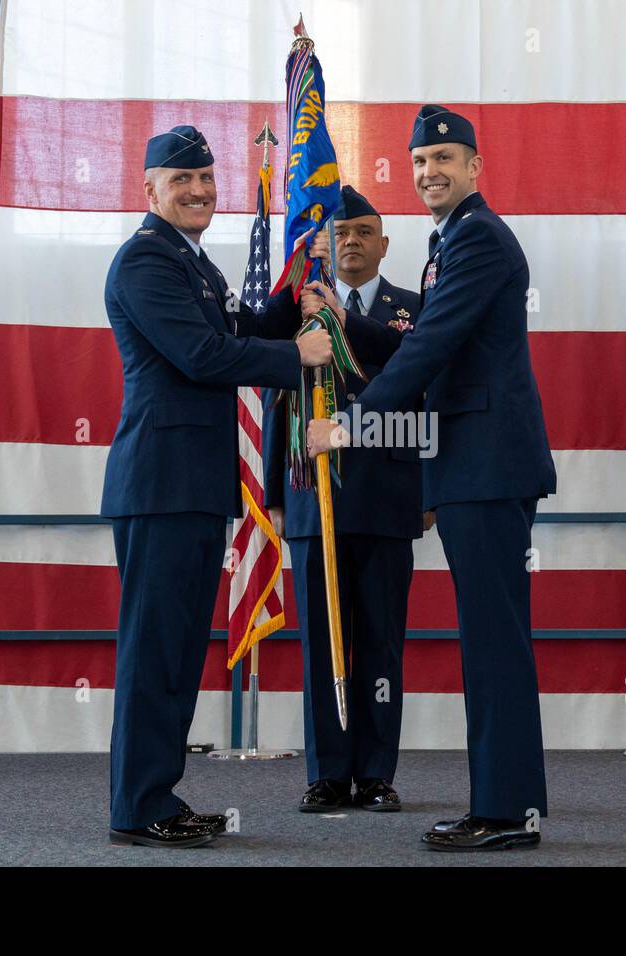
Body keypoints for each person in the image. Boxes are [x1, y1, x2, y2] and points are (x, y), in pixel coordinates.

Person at [307, 105, 556, 851]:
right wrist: (347, 325)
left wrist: (355, 423)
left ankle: (506, 812)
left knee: (494, 643)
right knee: (488, 640)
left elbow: (433, 344)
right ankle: (507, 803)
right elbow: (420, 336)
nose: (429, 172)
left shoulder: (477, 238)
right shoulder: (448, 242)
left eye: (444, 158)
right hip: (471, 466)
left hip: (487, 465)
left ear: (476, 167)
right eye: (419, 162)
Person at [101, 125, 335, 848]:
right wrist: (295, 355)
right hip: (160, 485)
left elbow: (241, 326)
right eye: (182, 181)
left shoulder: (194, 265)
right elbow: (204, 356)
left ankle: (157, 796)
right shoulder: (146, 262)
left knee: (174, 652)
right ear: (149, 189)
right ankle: (138, 806)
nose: (199, 190)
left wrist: (295, 285)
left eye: (206, 178)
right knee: (154, 651)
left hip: (195, 487)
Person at [263, 185, 424, 814]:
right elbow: (281, 400)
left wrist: (429, 490)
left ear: (385, 244)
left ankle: (376, 772)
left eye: (364, 231)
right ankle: (328, 772)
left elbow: (426, 399)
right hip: (312, 498)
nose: (351, 240)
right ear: (322, 244)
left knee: (381, 643)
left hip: (386, 497)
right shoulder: (300, 312)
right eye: (340, 232)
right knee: (321, 641)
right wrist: (277, 493)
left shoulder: (413, 311)